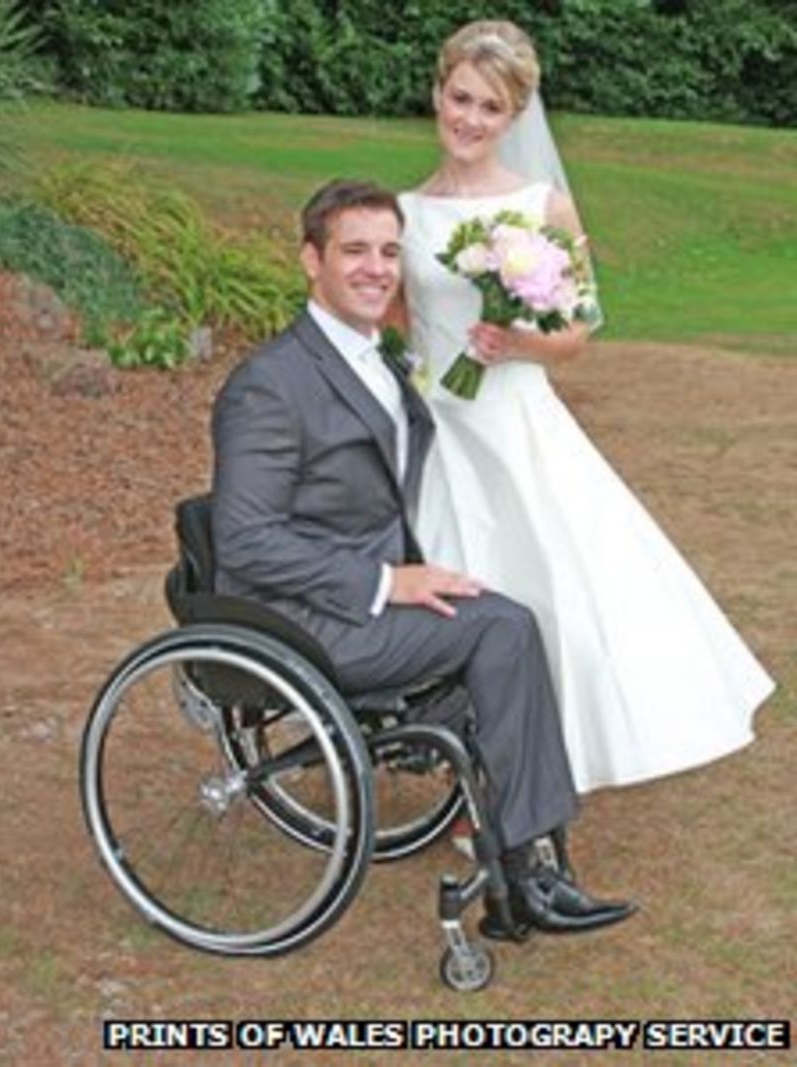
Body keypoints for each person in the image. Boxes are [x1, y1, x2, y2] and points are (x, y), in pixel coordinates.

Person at [211, 178, 635, 938]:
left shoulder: (378, 358)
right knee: (503, 627)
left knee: (507, 613)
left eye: (388, 252)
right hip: (300, 618)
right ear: (310, 260)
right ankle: (525, 875)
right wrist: (386, 580)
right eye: (354, 251)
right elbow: (245, 539)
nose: (376, 269)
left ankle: (525, 863)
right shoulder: (271, 384)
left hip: (358, 592)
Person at [397, 20, 775, 805]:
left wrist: (516, 341)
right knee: (451, 590)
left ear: (514, 116)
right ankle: (468, 761)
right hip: (436, 427)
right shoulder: (404, 213)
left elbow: (574, 336)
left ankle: (538, 766)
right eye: (460, 98)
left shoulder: (544, 206)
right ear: (437, 93)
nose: (470, 118)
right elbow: (402, 325)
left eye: (490, 107)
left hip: (515, 428)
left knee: (549, 594)